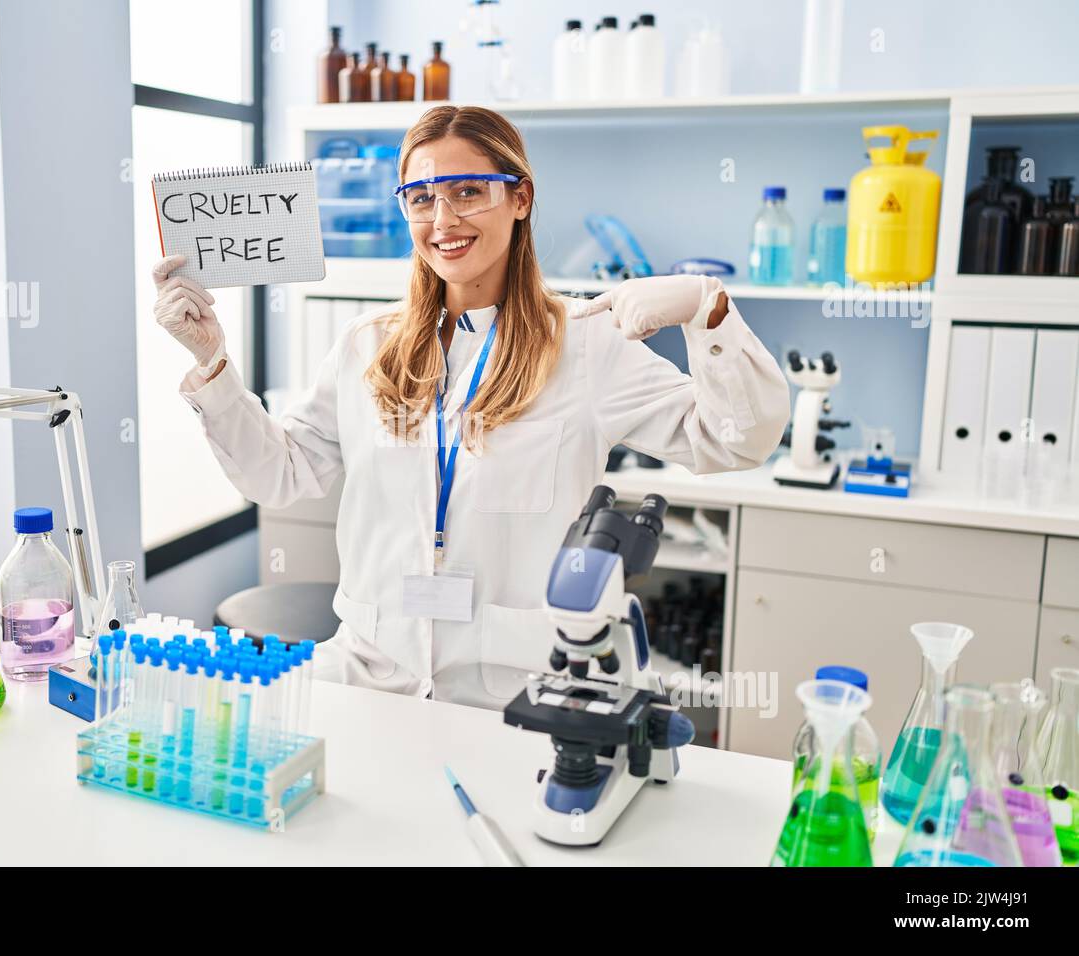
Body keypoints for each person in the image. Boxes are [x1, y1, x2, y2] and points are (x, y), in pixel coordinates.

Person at [152, 105, 789, 709]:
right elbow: (279, 475)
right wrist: (213, 364)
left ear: (520, 198)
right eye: (421, 198)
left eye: (466, 192)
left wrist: (707, 312)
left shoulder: (588, 342)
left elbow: (734, 440)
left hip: (512, 698)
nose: (442, 220)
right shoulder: (366, 347)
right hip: (371, 680)